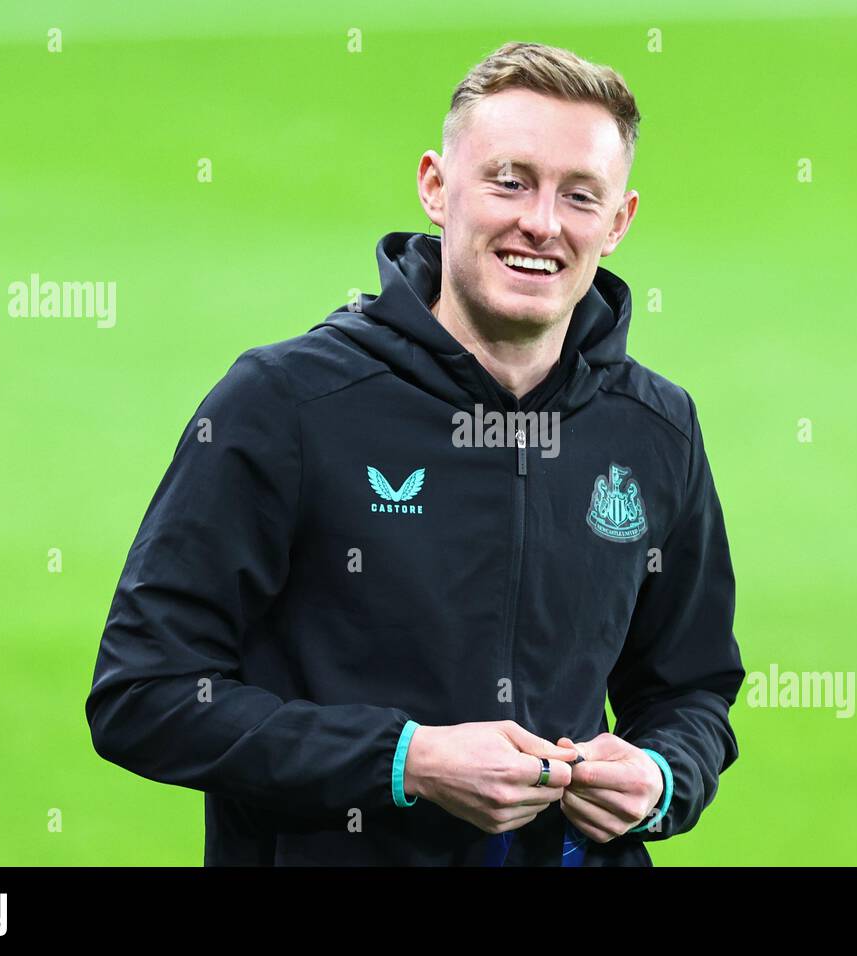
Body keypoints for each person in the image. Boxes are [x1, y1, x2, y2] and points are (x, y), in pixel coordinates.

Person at [85, 40, 745, 866]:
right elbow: (143, 695)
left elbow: (690, 688)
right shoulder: (286, 403)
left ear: (619, 221)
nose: (540, 222)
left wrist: (660, 777)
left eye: (580, 196)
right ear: (436, 186)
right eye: (509, 181)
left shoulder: (656, 428)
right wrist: (404, 762)